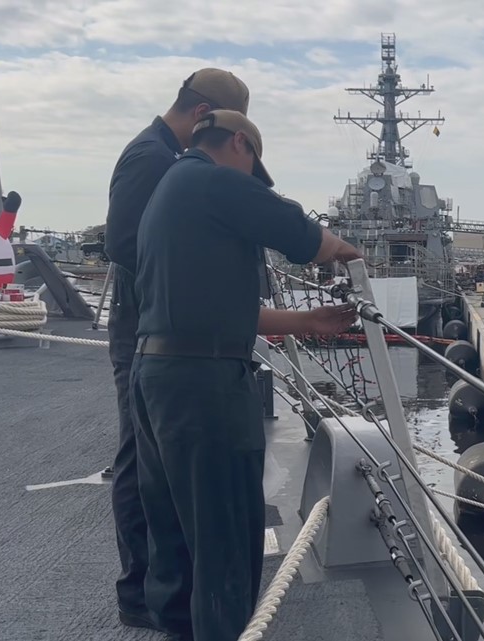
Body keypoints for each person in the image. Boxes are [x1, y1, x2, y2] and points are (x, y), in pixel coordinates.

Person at [131, 109, 363, 641]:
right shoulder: (213, 181)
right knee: (226, 537)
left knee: (174, 533)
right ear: (239, 143)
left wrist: (305, 321)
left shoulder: (171, 192)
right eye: (251, 166)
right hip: (204, 387)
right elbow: (301, 235)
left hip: (159, 373)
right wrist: (346, 252)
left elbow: (216, 308)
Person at [102, 68, 252, 631]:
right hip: (147, 325)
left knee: (152, 459)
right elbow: (124, 241)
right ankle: (140, 591)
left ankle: (160, 589)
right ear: (200, 116)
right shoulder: (151, 159)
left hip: (158, 323)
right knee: (143, 460)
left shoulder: (165, 155)